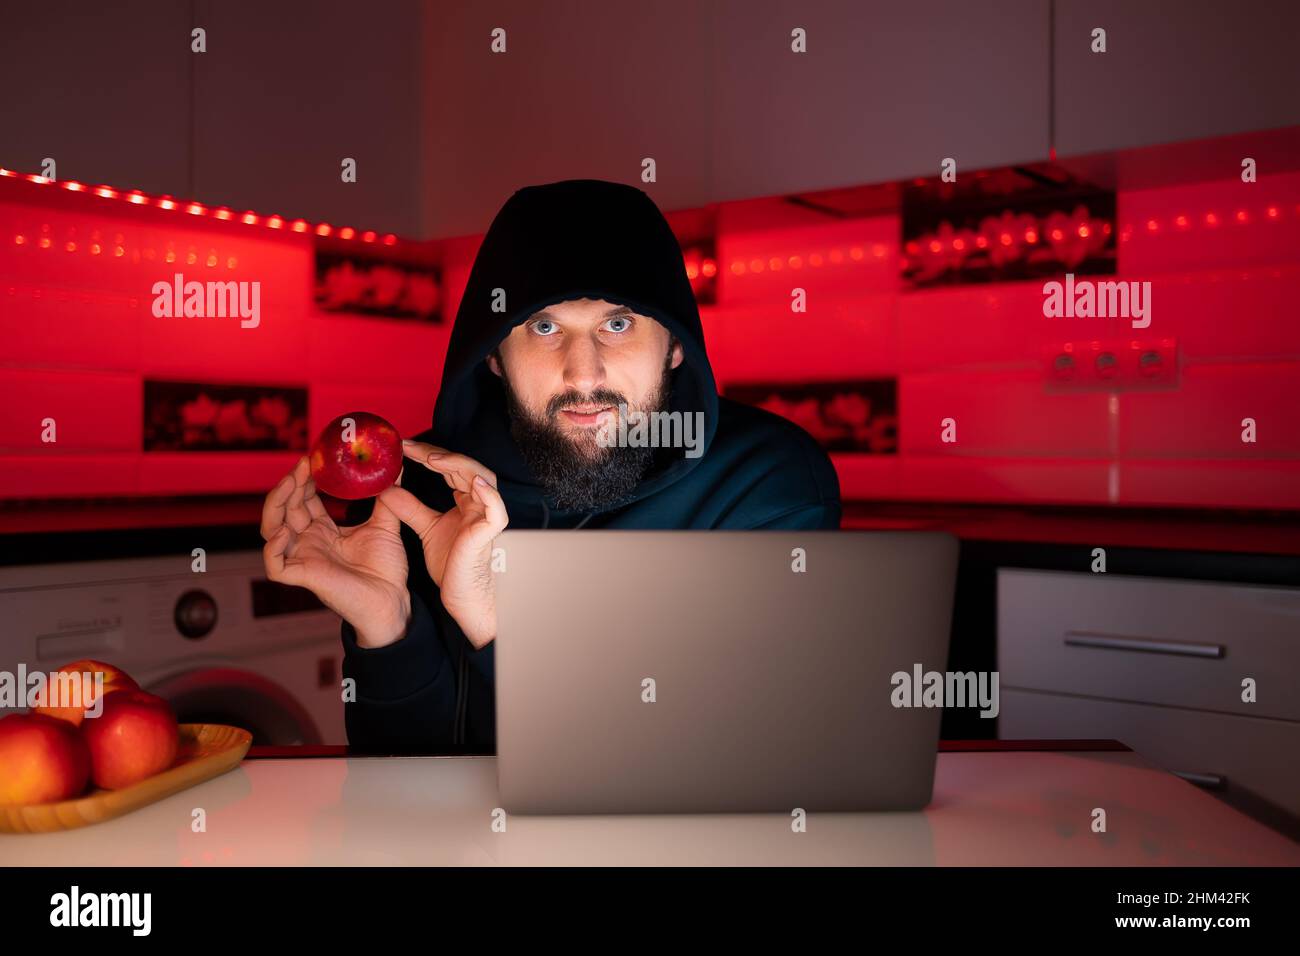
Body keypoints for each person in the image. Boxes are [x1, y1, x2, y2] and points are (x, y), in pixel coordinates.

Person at [260, 179, 841, 754]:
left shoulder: (765, 484)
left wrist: (496, 623)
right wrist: (386, 629)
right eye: (544, 327)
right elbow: (402, 785)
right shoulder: (420, 494)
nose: (583, 375)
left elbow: (730, 762)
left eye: (618, 324)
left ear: (676, 344)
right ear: (493, 353)